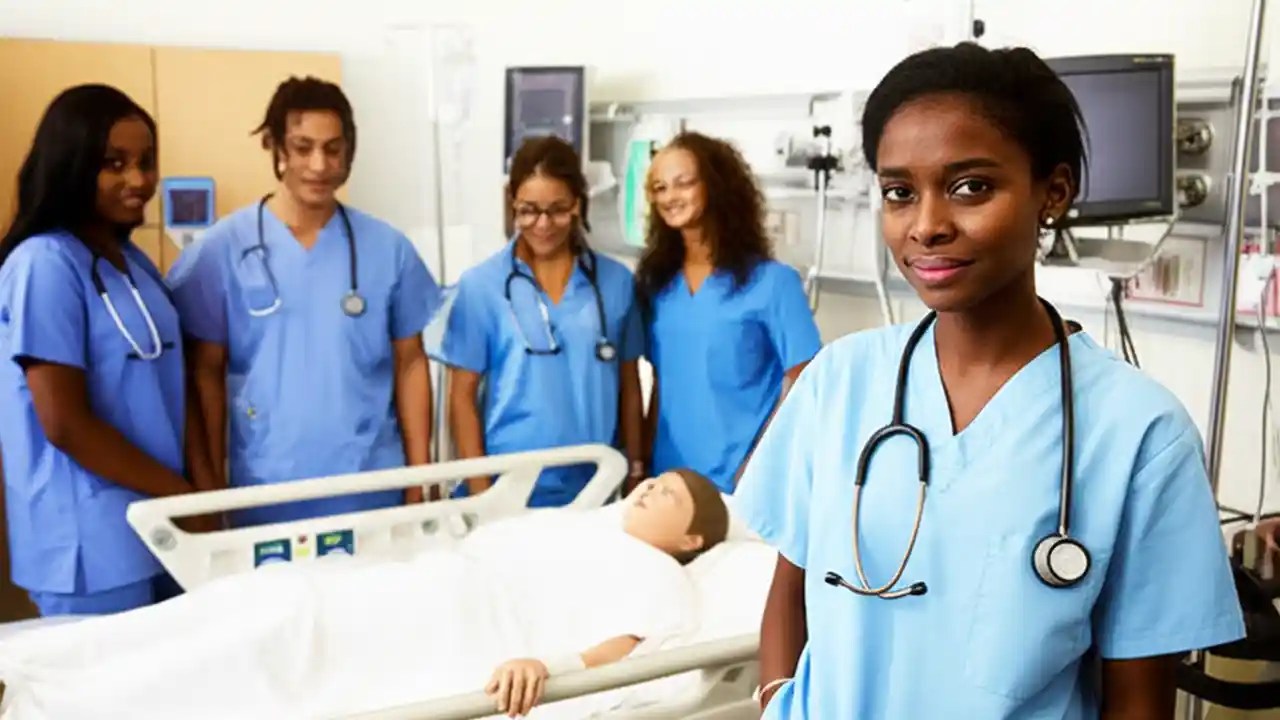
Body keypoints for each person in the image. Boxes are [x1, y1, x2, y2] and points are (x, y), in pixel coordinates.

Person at [735, 43, 1246, 719]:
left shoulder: (1140, 433)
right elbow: (790, 592)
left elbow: (1138, 702)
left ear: (1053, 192)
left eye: (971, 186)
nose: (927, 226)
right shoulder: (839, 382)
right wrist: (776, 701)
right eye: (899, 193)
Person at [0, 469, 730, 720]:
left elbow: (622, 653)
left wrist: (547, 663)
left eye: (674, 495)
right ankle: (50, 671)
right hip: (420, 586)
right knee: (261, 602)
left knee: (273, 647)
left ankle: (67, 704)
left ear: (692, 539)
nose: (654, 486)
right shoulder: (581, 525)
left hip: (458, 630)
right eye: (657, 479)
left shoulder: (661, 579)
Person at [166, 76, 442, 526]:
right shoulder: (222, 250)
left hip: (370, 485)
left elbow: (410, 362)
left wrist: (420, 475)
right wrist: (211, 490)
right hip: (267, 488)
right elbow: (205, 374)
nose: (319, 165)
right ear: (276, 147)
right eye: (302, 147)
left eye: (333, 149)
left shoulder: (387, 248)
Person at [0, 84, 217, 617]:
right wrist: (180, 496)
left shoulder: (132, 261)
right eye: (113, 163)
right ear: (72, 164)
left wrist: (205, 496)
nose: (139, 180)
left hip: (164, 526)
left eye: (146, 162)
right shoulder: (44, 264)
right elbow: (63, 422)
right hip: (92, 541)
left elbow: (174, 380)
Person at [436, 135, 645, 506]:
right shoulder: (482, 286)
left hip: (595, 487)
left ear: (579, 203)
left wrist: (636, 472)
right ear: (511, 203)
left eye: (558, 209)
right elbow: (462, 397)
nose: (543, 224)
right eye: (528, 210)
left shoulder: (615, 283)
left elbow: (629, 386)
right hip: (506, 489)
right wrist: (483, 496)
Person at [638, 132, 822, 494]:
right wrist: (639, 466)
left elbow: (806, 386)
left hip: (743, 481)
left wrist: (758, 463)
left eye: (684, 183)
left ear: (715, 185)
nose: (670, 196)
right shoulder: (658, 286)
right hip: (668, 483)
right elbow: (661, 384)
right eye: (659, 187)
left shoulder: (772, 283)